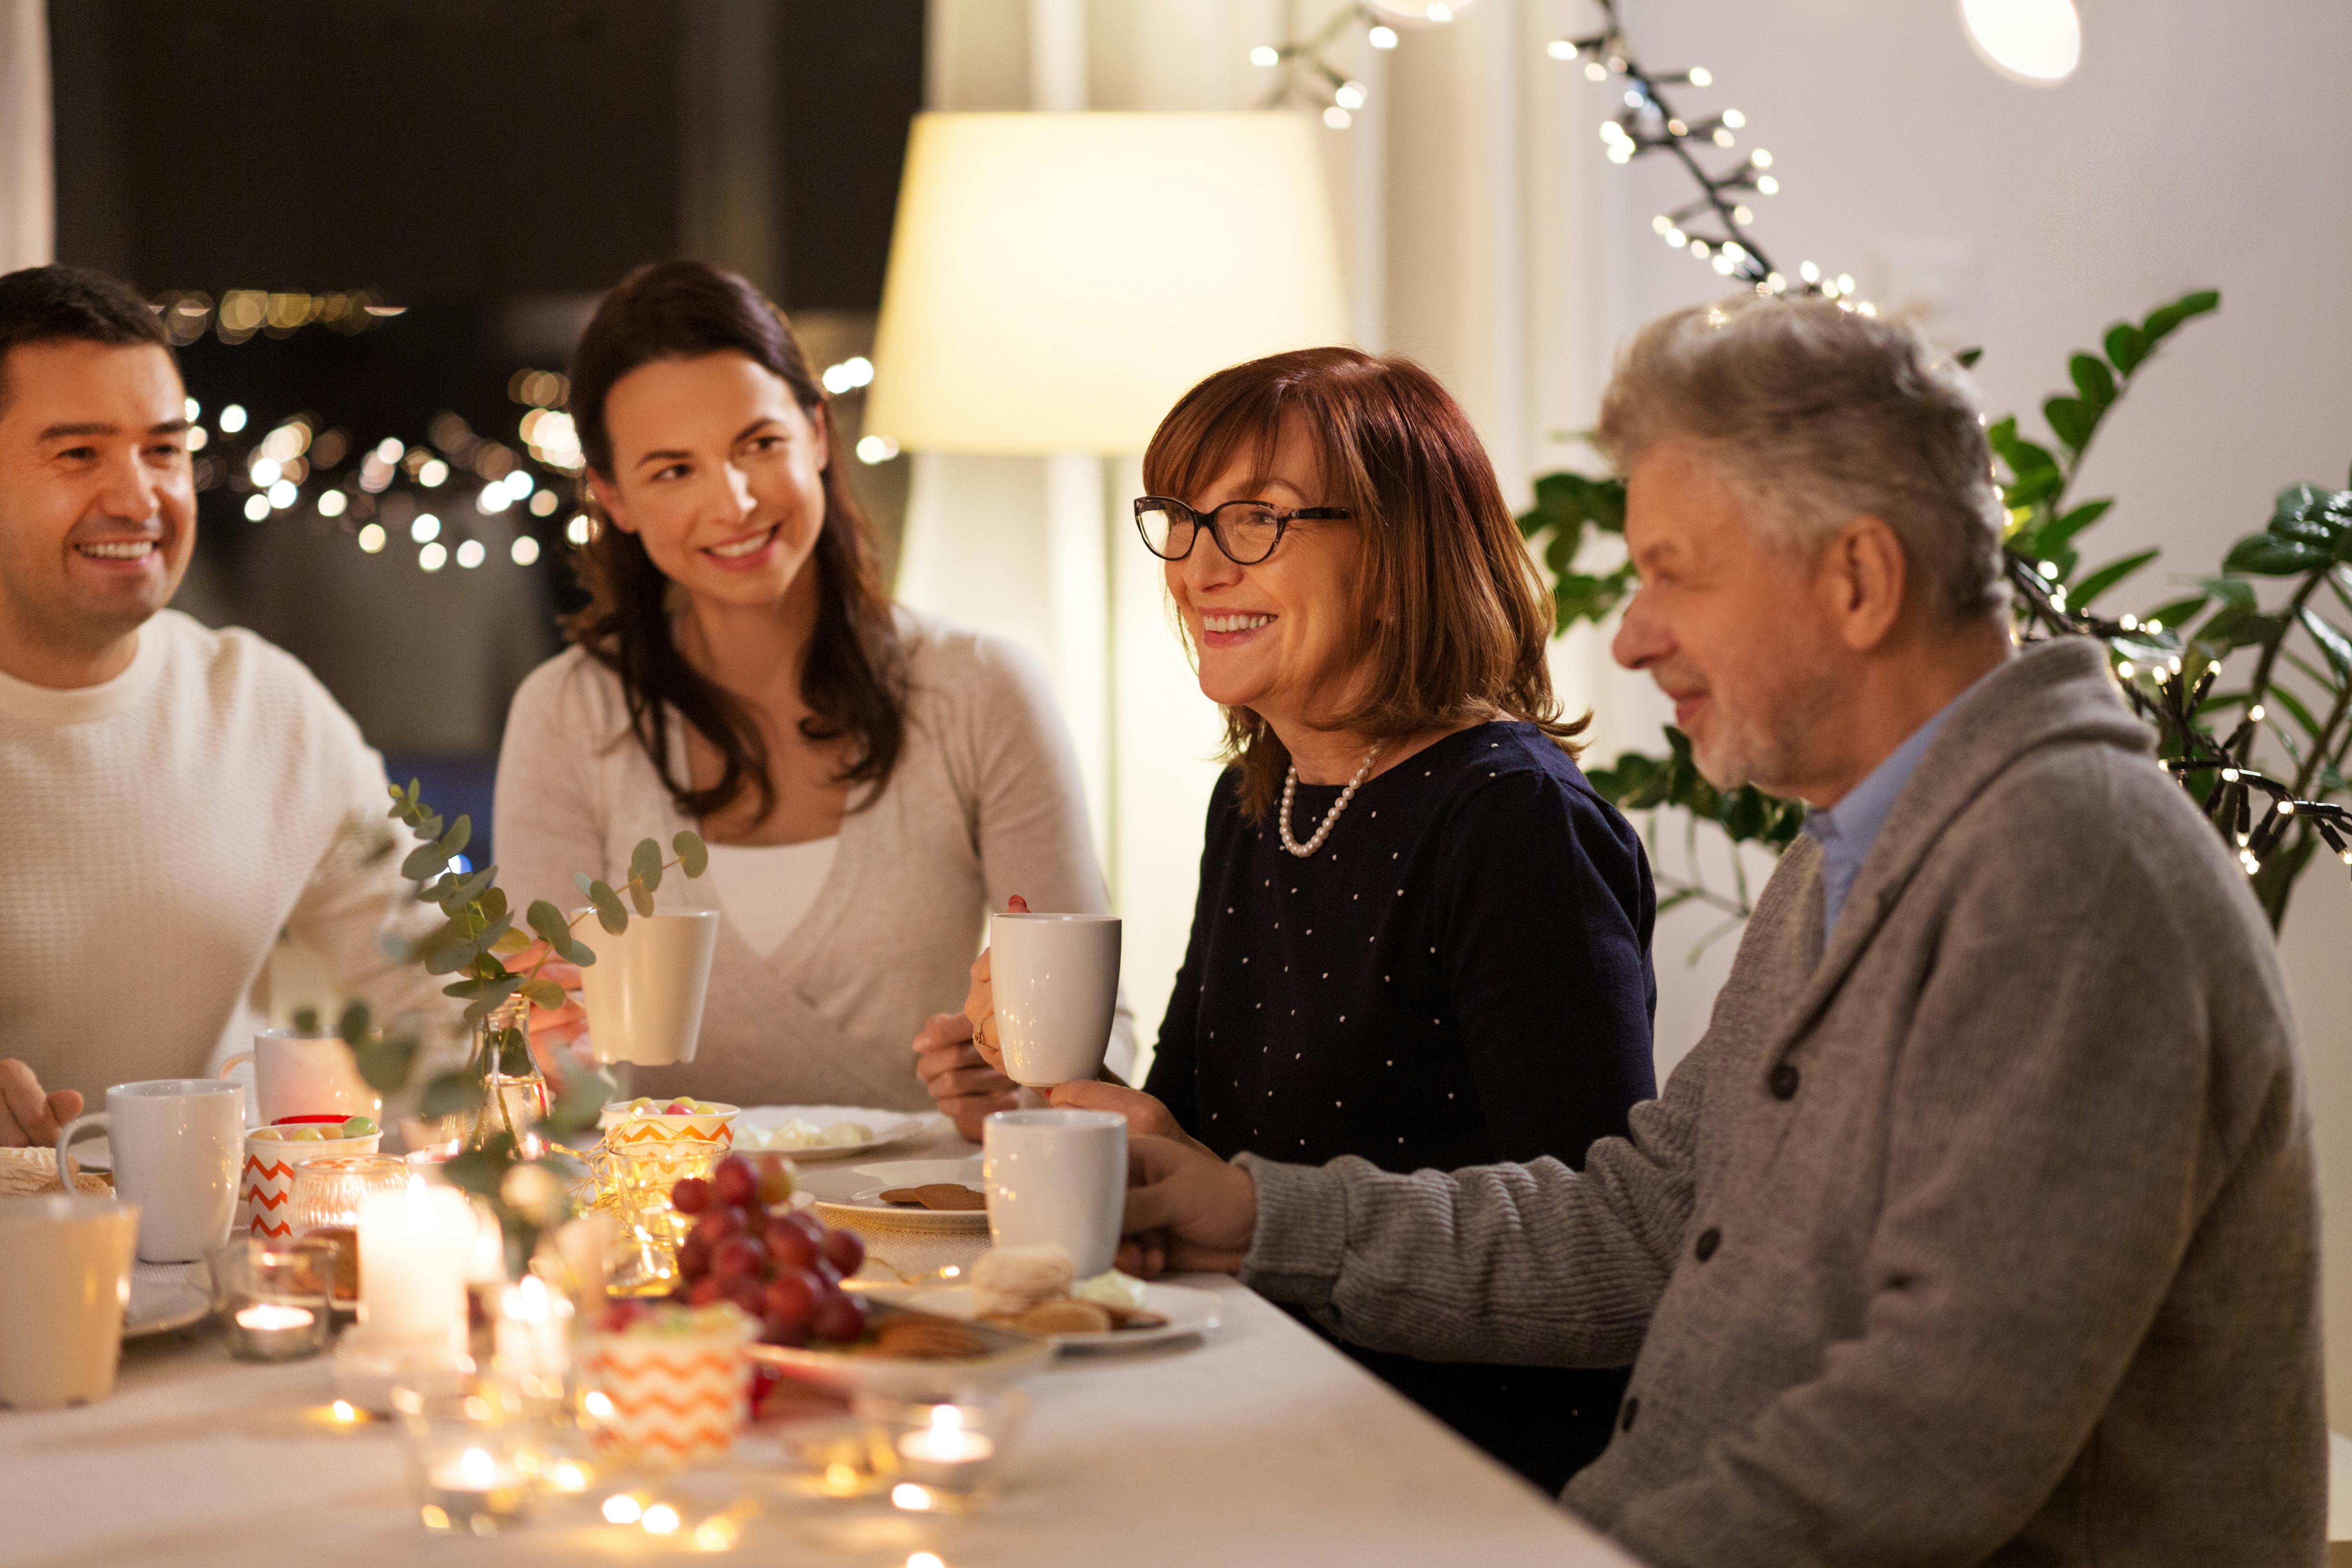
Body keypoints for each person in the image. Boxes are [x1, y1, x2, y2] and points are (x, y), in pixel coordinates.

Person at [1112, 296, 2325, 1565]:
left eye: (1669, 573)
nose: (1630, 637)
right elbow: (1646, 1217)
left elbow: (1923, 1442)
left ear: (1854, 579)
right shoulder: (1849, 856)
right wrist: (1257, 1217)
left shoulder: (2070, 877)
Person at [921, 347, 1659, 1491]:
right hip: (1248, 1379)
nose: (1199, 568)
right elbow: (1195, 1138)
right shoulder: (1260, 796)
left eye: (1256, 520)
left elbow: (1587, 1245)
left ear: (1399, 551)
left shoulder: (1513, 820)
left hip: (1441, 1453)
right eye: (1181, 519)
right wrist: (1035, 1095)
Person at [495, 260, 1132, 1111]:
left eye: (758, 445)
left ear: (818, 433)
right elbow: (542, 1062)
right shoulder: (567, 714)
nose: (735, 502)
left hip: (923, 1220)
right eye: (672, 471)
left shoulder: (980, 690)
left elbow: (1097, 1035)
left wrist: (1021, 1075)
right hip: (662, 1223)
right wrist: (532, 1046)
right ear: (612, 496)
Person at [0, 264, 438, 1145]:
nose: (141, 499)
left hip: (216, 1254)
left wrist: (528, 1024)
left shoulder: (260, 705)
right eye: (79, 453)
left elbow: (426, 976)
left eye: (163, 449)